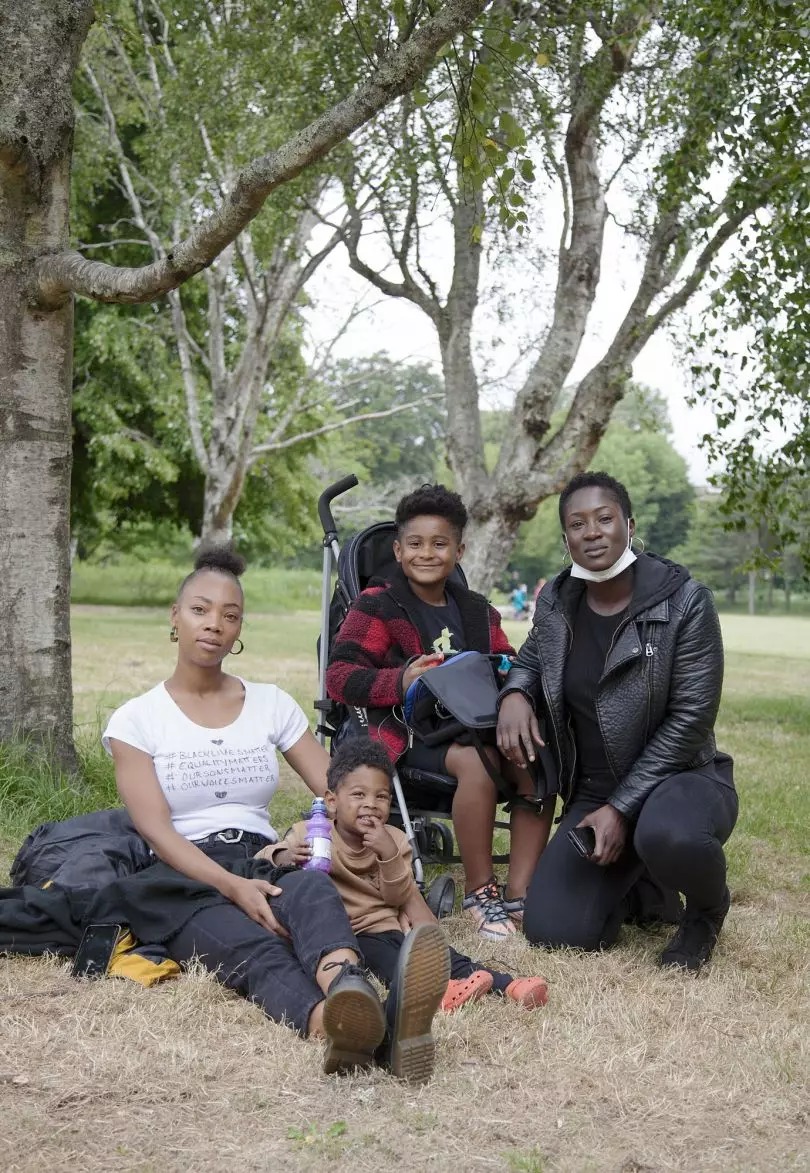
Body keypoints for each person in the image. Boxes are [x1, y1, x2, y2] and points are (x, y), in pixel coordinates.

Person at [103, 544, 448, 1080]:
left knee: (310, 888)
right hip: (184, 873)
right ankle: (345, 1028)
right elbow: (155, 830)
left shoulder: (270, 704)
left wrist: (397, 884)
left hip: (262, 855)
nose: (214, 624)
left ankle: (349, 992)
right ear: (175, 617)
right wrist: (231, 886)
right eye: (200, 609)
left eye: (230, 614)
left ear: (241, 627)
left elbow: (340, 791)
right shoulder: (136, 720)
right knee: (256, 948)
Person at [497, 472, 738, 971]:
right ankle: (647, 888)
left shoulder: (686, 601)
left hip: (682, 779)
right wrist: (516, 692)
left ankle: (706, 911)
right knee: (554, 930)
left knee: (668, 835)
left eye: (604, 519)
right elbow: (533, 658)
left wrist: (622, 809)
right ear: (565, 538)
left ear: (628, 525)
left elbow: (692, 719)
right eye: (576, 524)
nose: (591, 532)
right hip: (593, 790)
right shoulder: (556, 600)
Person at [326, 484, 555, 942]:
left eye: (440, 543)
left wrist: (512, 687)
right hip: (406, 734)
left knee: (534, 752)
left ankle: (521, 891)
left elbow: (510, 663)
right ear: (398, 549)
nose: (426, 553)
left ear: (459, 550)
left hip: (473, 725)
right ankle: (480, 891)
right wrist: (400, 680)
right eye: (415, 544)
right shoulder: (378, 604)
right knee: (476, 762)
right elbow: (339, 675)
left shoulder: (475, 610)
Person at [258, 738, 548, 1011]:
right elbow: (263, 860)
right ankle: (438, 995)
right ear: (332, 801)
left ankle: (508, 985)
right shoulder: (312, 834)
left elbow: (398, 895)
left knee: (443, 956)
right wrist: (283, 856)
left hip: (389, 926)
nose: (371, 803)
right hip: (351, 936)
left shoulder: (394, 839)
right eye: (358, 794)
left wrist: (388, 855)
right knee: (392, 962)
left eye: (381, 797)